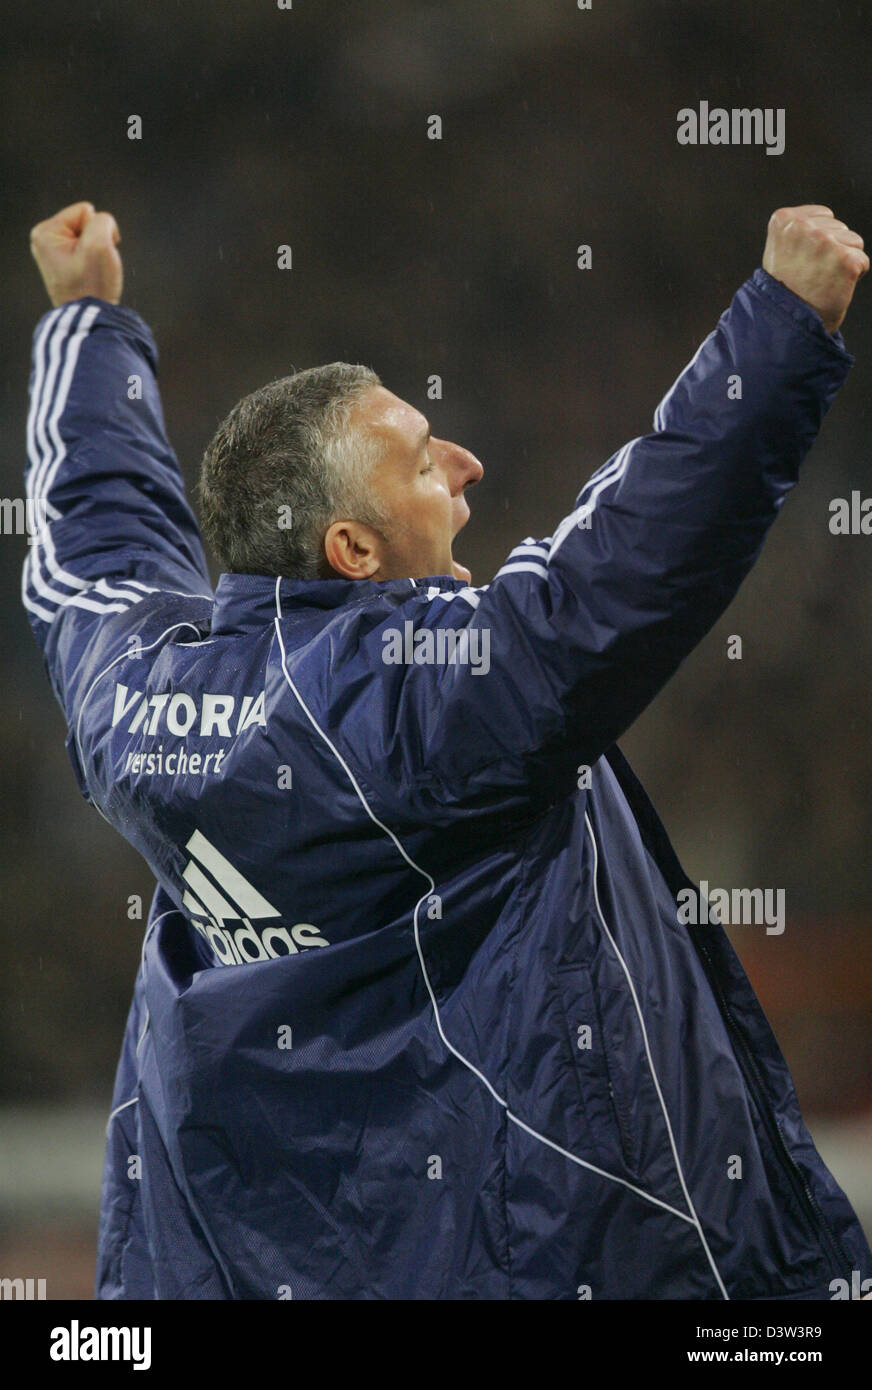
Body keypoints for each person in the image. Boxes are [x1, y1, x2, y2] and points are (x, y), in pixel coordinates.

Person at [24, 199, 871, 1300]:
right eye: (423, 462)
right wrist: (781, 321)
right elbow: (633, 555)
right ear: (353, 548)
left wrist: (87, 325)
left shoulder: (131, 688)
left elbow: (94, 529)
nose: (466, 463)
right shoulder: (427, 697)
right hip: (525, 1256)